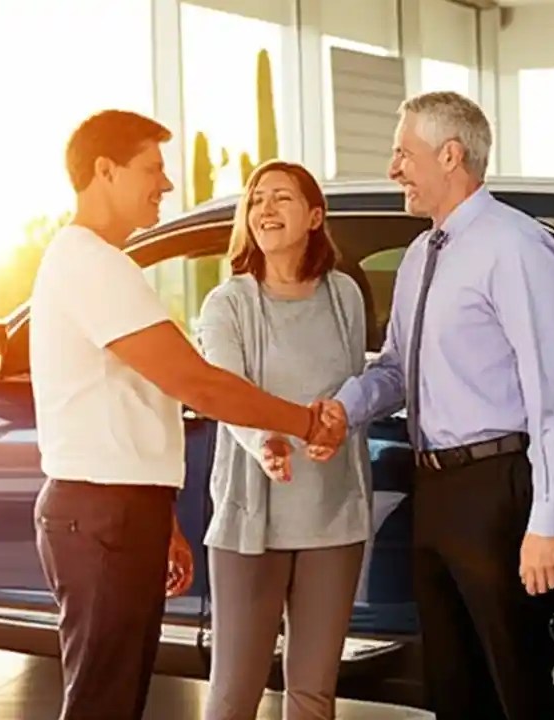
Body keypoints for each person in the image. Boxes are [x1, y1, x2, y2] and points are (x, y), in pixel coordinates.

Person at [28, 110, 347, 720]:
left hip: (118, 508)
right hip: (102, 516)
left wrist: (161, 515)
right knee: (103, 703)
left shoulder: (96, 261)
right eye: (152, 168)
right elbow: (195, 382)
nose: (166, 184)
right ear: (105, 171)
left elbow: (128, 401)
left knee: (114, 697)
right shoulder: (91, 263)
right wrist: (303, 424)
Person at [311, 91, 554, 720]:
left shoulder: (514, 245)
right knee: (453, 687)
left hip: (496, 490)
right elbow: (396, 369)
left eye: (403, 153)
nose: (393, 168)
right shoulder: (419, 255)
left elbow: (552, 390)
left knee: (519, 687)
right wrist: (342, 411)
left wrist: (547, 520)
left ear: (450, 154)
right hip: (432, 489)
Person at [195, 160, 372, 720]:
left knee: (315, 690)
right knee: (234, 692)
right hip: (253, 516)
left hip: (333, 513)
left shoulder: (344, 294)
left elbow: (350, 388)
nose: (265, 210)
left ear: (315, 216)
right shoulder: (229, 303)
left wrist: (337, 427)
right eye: (256, 201)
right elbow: (223, 391)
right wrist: (264, 441)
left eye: (282, 199)